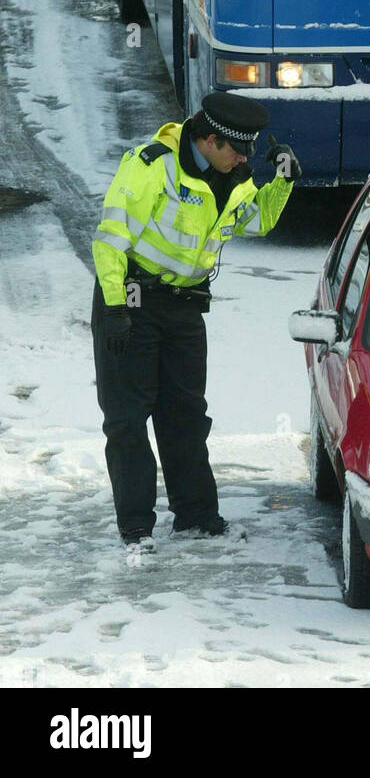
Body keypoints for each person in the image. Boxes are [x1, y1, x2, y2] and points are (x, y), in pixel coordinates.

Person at [91, 93, 301, 548]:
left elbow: (257, 222)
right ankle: (136, 529)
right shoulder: (151, 166)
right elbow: (110, 238)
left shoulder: (235, 176)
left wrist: (281, 181)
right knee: (128, 419)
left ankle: (196, 517)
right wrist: (112, 308)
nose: (245, 159)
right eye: (236, 150)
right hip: (130, 298)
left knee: (185, 415)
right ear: (208, 141)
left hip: (184, 305)